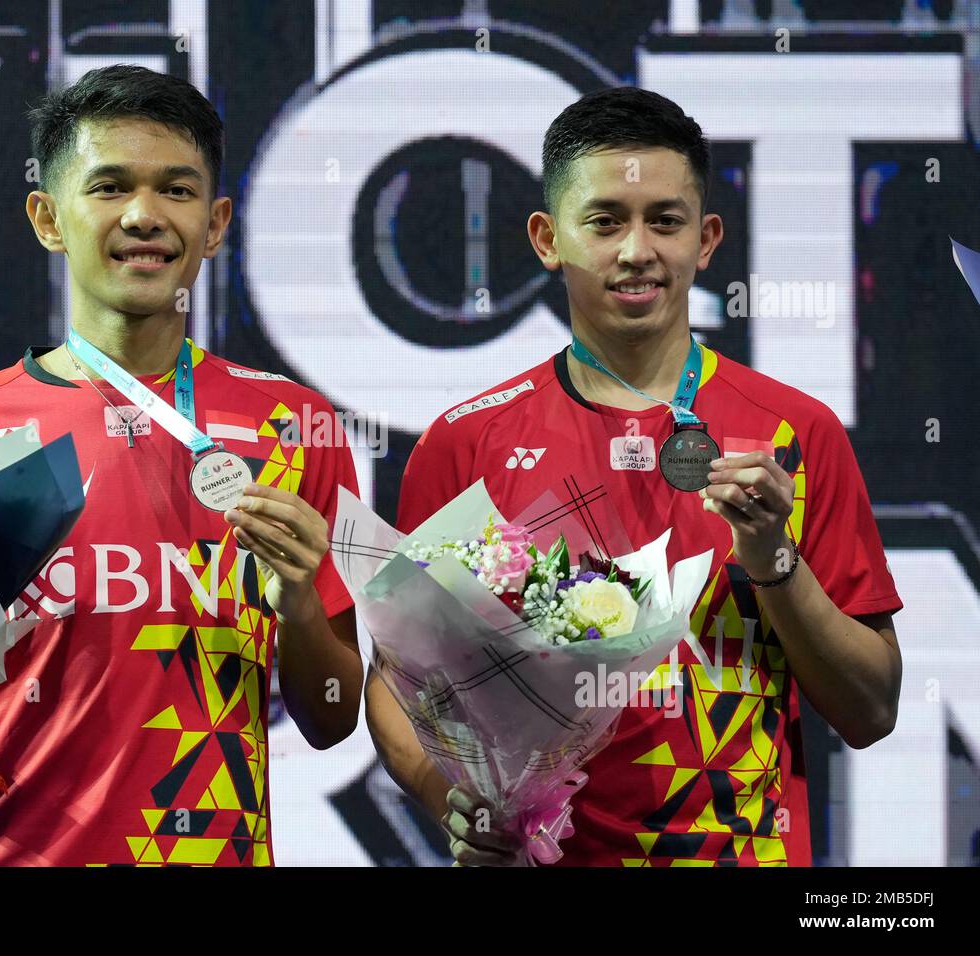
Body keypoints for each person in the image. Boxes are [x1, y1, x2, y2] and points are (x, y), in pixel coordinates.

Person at [0, 64, 363, 866]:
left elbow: (332, 717)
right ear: (48, 217)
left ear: (216, 224)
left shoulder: (295, 425)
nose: (145, 216)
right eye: (110, 186)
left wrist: (297, 602)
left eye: (178, 191)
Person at [367, 86, 903, 867]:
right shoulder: (466, 443)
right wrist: (449, 799)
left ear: (707, 239)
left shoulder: (796, 432)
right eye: (606, 220)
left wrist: (775, 564)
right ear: (548, 238)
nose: (635, 250)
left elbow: (871, 709)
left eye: (665, 220)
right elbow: (397, 678)